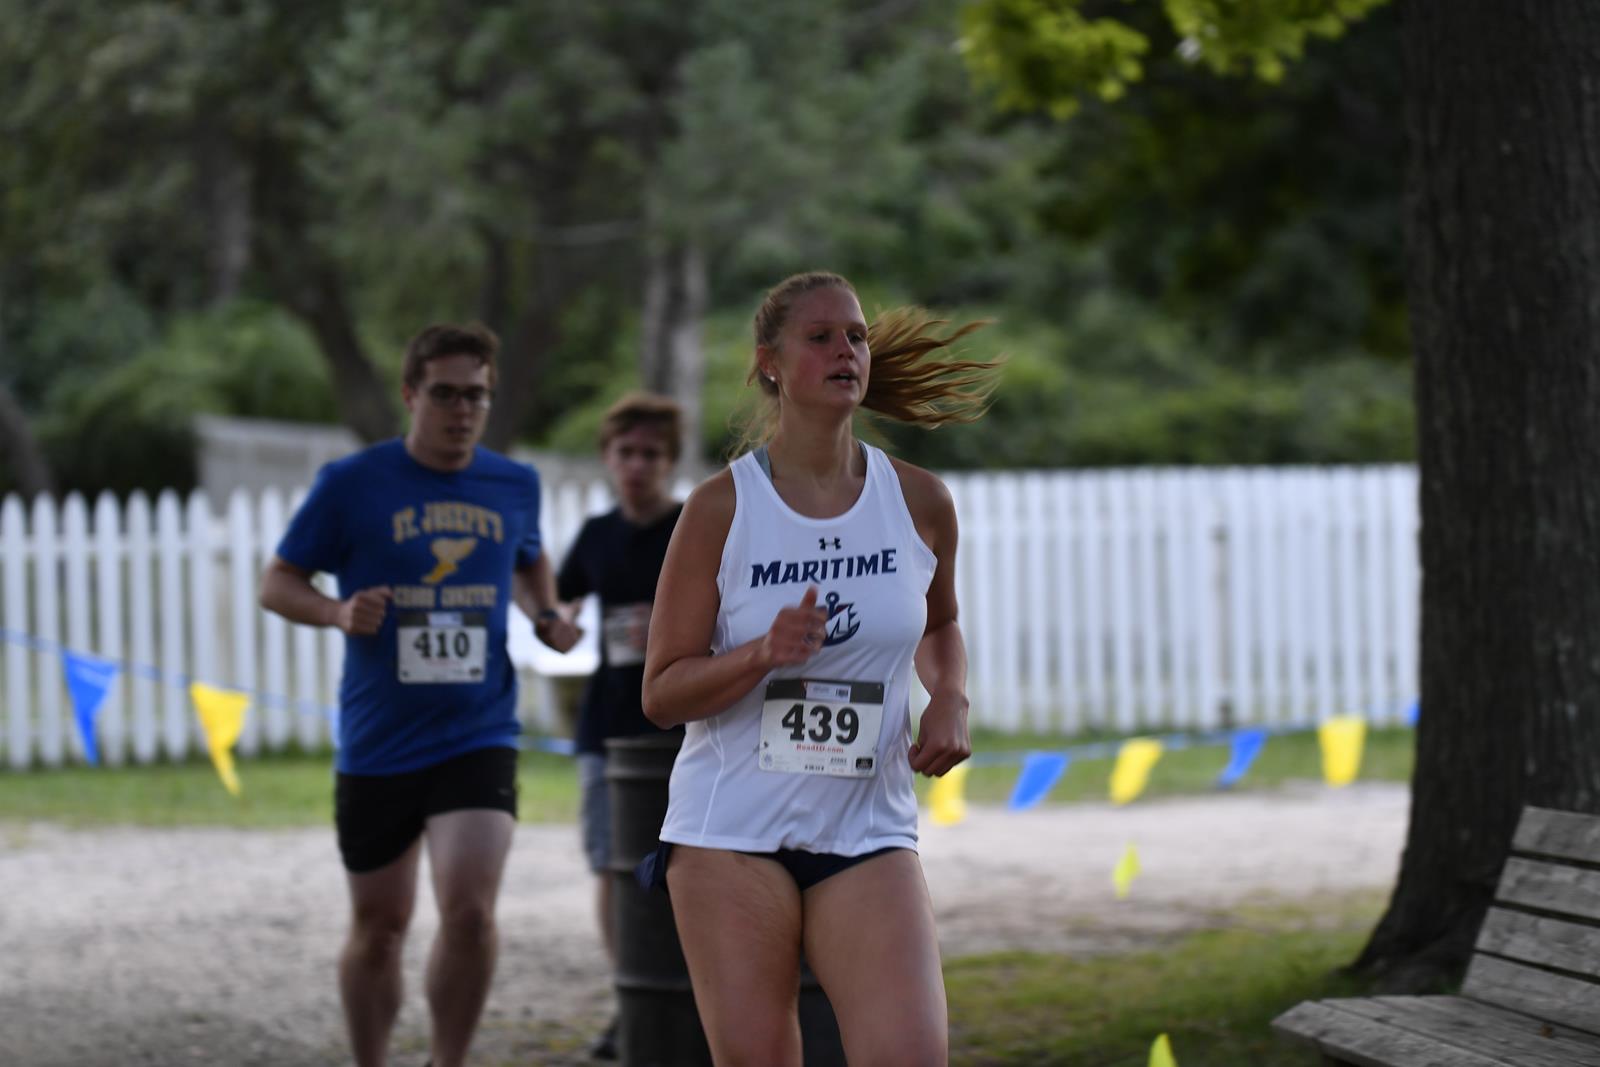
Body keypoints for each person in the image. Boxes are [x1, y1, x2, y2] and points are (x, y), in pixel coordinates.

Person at [640, 271, 1000, 1067]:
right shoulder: (719, 510)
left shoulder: (919, 500)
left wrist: (950, 696)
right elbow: (662, 693)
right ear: (770, 363)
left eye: (858, 336)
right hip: (731, 835)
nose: (847, 349)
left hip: (867, 831)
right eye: (822, 337)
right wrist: (761, 652)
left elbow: (940, 624)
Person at [258, 322, 580, 1067]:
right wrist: (337, 611)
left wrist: (547, 616)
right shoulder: (351, 484)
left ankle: (447, 1060)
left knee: (469, 915)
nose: (461, 410)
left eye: (477, 395)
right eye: (444, 393)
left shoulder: (513, 483)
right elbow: (277, 582)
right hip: (379, 738)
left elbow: (529, 562)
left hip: (478, 728)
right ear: (410, 394)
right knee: (381, 927)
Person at [554, 392, 686, 1060]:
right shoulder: (597, 535)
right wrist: (560, 623)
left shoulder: (694, 527)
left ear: (671, 461)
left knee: (691, 866)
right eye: (625, 453)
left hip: (686, 726)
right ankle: (630, 998)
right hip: (608, 725)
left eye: (651, 454)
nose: (637, 466)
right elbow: (560, 600)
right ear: (607, 459)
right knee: (612, 866)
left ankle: (694, 999)